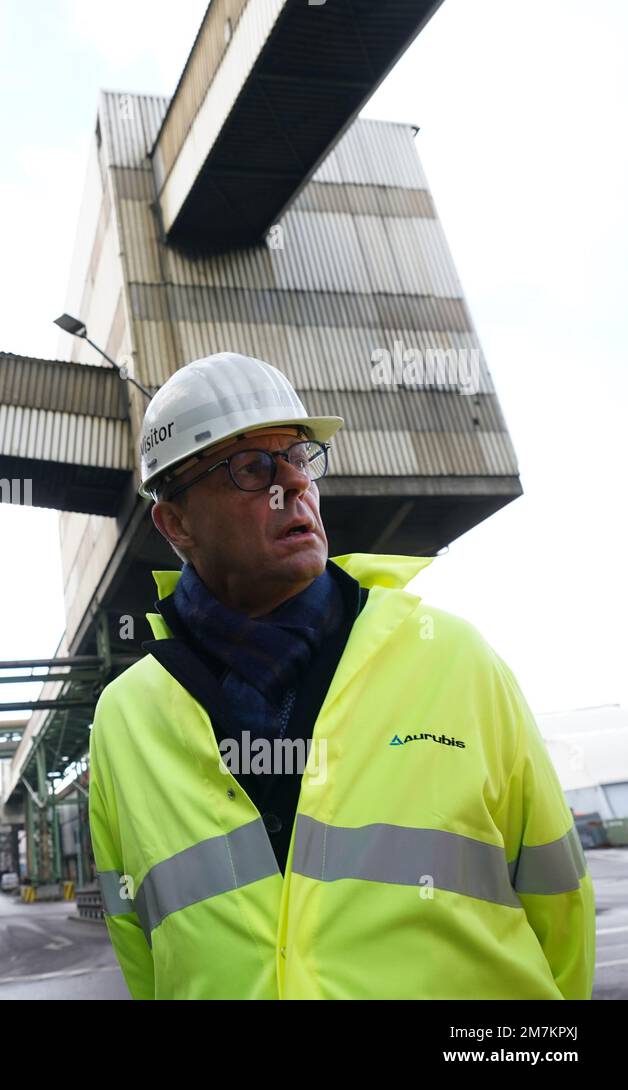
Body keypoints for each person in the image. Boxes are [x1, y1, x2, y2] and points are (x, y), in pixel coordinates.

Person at [88, 352, 595, 1000]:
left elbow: (561, 910)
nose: (293, 485)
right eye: (251, 468)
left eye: (298, 458)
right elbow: (143, 950)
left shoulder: (454, 659)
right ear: (176, 523)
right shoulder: (126, 720)